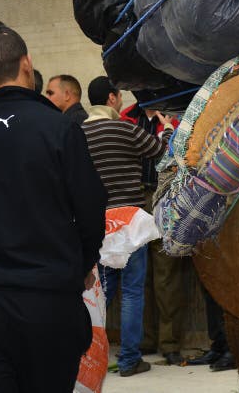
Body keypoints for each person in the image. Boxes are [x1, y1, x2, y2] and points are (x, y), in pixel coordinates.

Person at [0, 21, 106, 392]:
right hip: (49, 301)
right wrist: (81, 265)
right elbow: (90, 210)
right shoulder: (60, 130)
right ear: (27, 64)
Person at [82, 76, 172, 377]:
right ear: (111, 98)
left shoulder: (78, 133)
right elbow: (161, 153)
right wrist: (169, 129)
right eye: (118, 97)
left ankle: (99, 356)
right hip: (129, 220)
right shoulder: (124, 128)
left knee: (102, 292)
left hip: (96, 223)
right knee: (133, 291)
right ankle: (130, 359)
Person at [120, 103, 186, 366]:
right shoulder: (127, 117)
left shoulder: (174, 118)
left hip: (163, 198)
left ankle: (169, 343)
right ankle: (143, 340)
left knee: (166, 272)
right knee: (138, 275)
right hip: (133, 198)